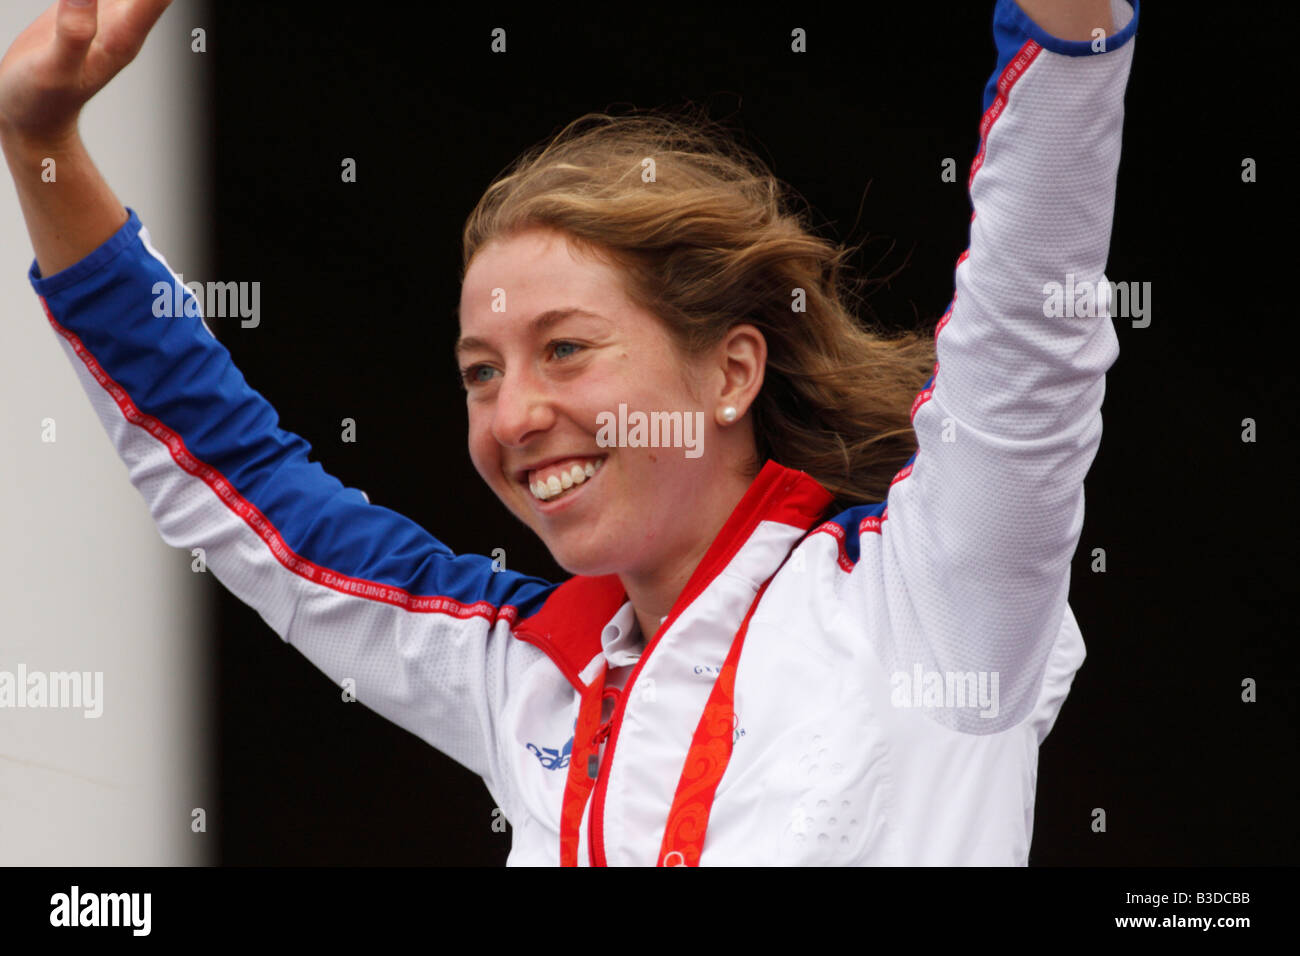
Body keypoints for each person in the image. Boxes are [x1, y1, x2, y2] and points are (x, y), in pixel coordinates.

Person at [0, 0, 1140, 865]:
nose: (514, 414)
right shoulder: (525, 668)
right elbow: (234, 471)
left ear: (730, 368)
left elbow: (1030, 325)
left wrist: (1074, 39)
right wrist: (39, 137)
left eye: (565, 349)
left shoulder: (932, 604)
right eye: (479, 372)